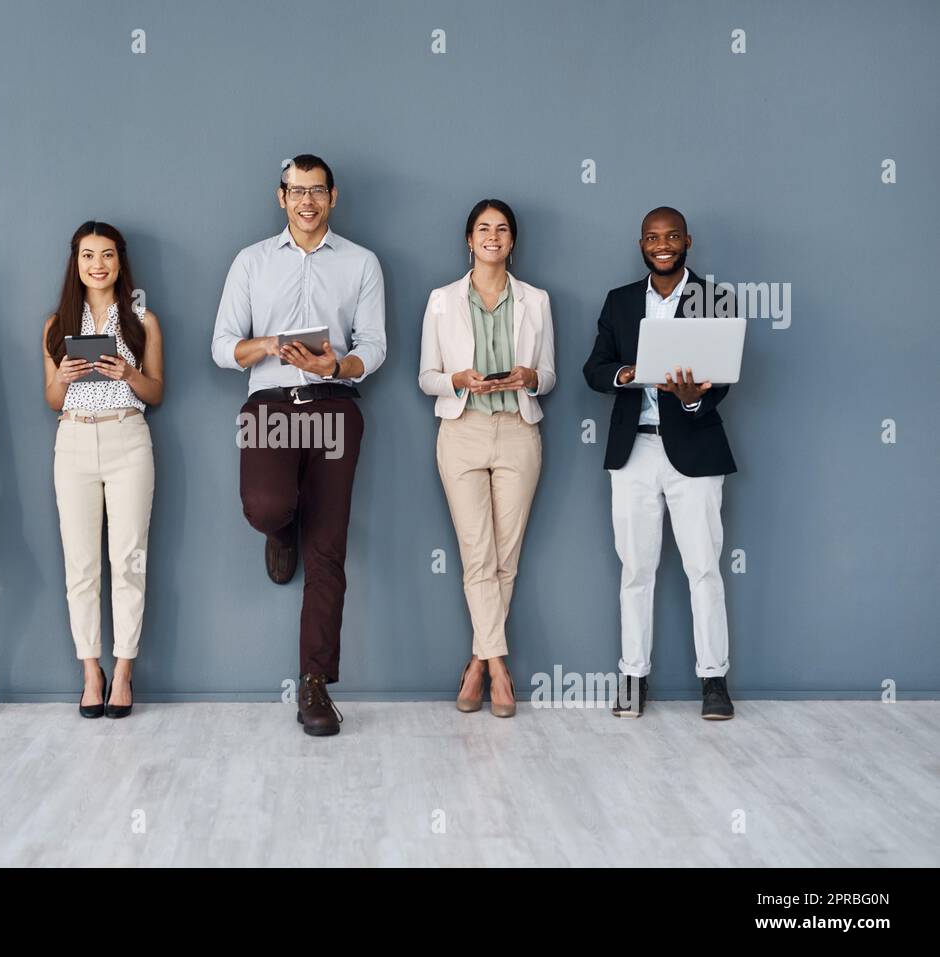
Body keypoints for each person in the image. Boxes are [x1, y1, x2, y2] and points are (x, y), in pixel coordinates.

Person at [211, 154, 386, 736]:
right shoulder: (251, 262)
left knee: (328, 551)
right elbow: (221, 348)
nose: (306, 201)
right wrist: (269, 345)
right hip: (269, 405)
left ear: (333, 197)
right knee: (266, 505)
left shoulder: (361, 262)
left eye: (317, 191)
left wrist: (341, 362)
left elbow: (375, 346)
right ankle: (282, 528)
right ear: (279, 196)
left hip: (336, 404)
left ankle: (314, 686)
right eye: (296, 191)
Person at [581, 206, 737, 720]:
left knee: (703, 568)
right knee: (635, 569)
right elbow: (595, 369)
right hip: (634, 452)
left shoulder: (713, 299)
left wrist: (692, 399)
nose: (662, 244)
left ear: (688, 240)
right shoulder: (621, 301)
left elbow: (725, 378)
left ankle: (714, 681)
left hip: (695, 446)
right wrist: (631, 373)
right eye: (652, 236)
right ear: (641, 242)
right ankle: (633, 677)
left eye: (671, 236)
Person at [418, 199, 556, 717]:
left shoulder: (537, 301)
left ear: (512, 241)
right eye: (483, 229)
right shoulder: (441, 300)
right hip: (463, 431)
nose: (492, 236)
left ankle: (477, 661)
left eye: (501, 229)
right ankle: (499, 667)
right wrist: (457, 379)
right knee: (477, 553)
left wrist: (530, 379)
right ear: (469, 241)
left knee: (506, 557)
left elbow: (551, 374)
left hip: (520, 430)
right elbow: (426, 375)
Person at [43, 221, 164, 719]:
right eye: (89, 255)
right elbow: (50, 399)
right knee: (81, 564)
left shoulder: (142, 320)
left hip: (128, 437)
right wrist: (66, 376)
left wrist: (128, 373)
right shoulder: (56, 324)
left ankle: (123, 672)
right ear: (76, 261)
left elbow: (156, 392)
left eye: (108, 255)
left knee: (129, 559)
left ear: (120, 261)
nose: (98, 264)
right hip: (73, 437)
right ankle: (90, 671)